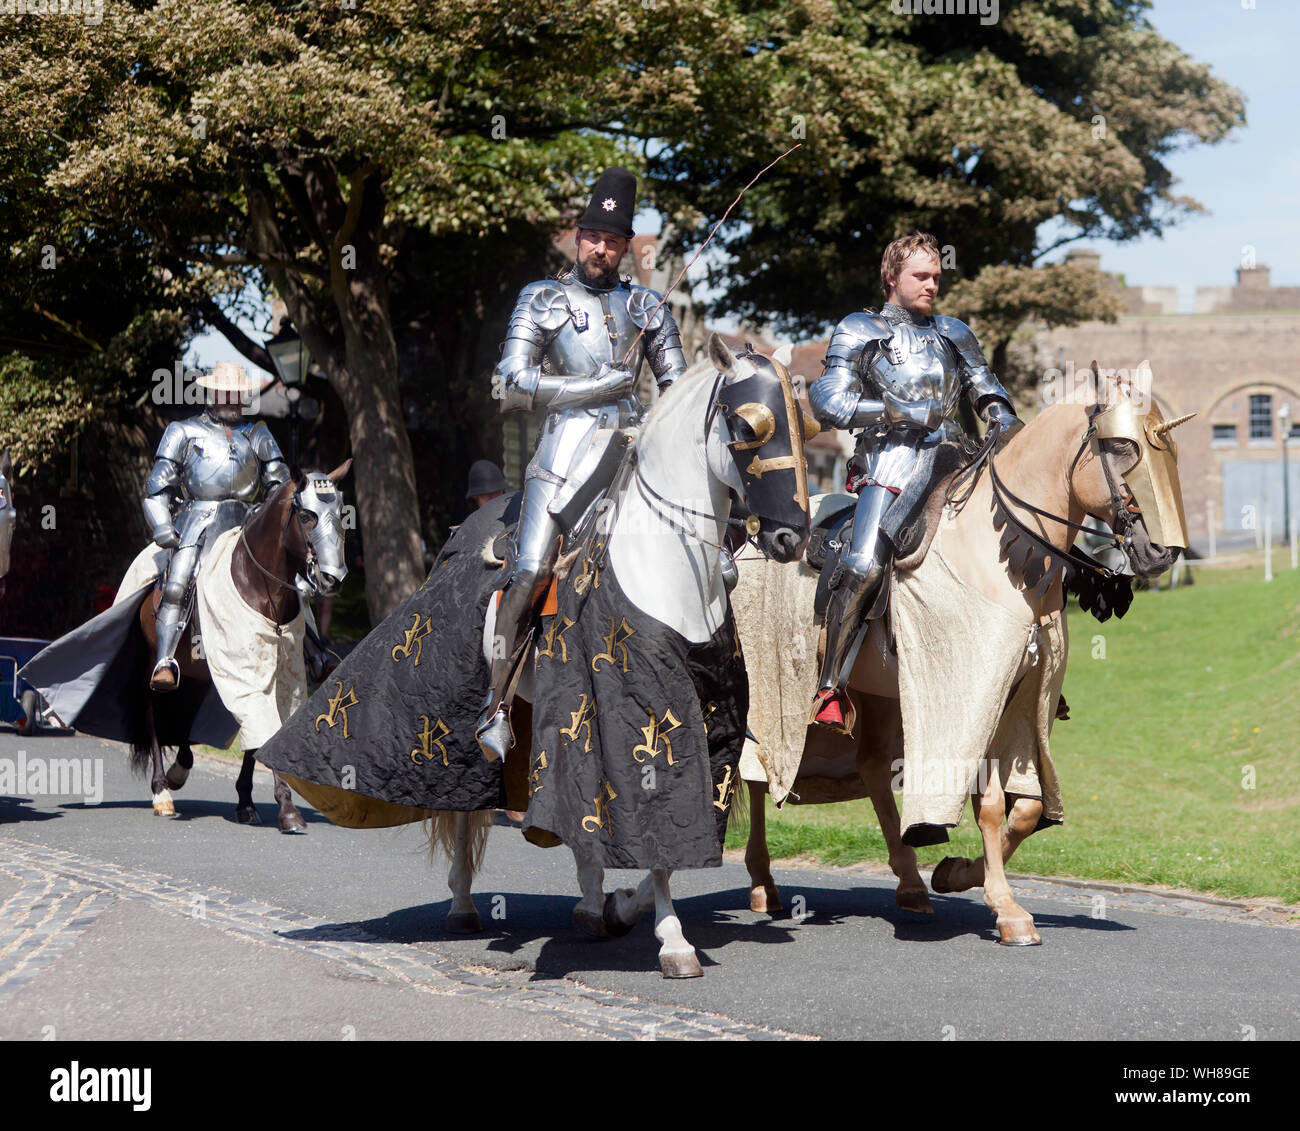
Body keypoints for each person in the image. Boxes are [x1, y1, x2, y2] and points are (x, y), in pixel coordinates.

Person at [475, 166, 689, 759]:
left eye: (614, 239)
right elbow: (511, 384)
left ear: (626, 246)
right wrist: (596, 386)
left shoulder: (648, 305)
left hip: (631, 454)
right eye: (594, 235)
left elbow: (676, 387)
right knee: (530, 570)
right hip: (564, 455)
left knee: (701, 560)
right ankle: (495, 705)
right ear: (578, 236)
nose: (602, 247)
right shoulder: (541, 298)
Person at [807, 232, 1023, 732]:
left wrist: (1002, 419)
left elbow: (986, 388)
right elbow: (828, 402)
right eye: (920, 277)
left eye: (936, 278)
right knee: (862, 564)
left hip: (958, 461)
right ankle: (830, 686)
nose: (932, 286)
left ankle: (1029, 671)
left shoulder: (954, 332)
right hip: (890, 464)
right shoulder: (861, 329)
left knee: (1022, 538)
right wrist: (896, 409)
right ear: (891, 278)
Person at [142, 362, 288, 691]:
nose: (232, 400)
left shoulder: (258, 434)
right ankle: (165, 660)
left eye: (237, 394)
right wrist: (163, 526)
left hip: (251, 521)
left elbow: (281, 486)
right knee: (179, 579)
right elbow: (156, 489)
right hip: (197, 520)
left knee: (291, 583)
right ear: (211, 394)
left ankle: (311, 651)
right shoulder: (182, 431)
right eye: (226, 393)